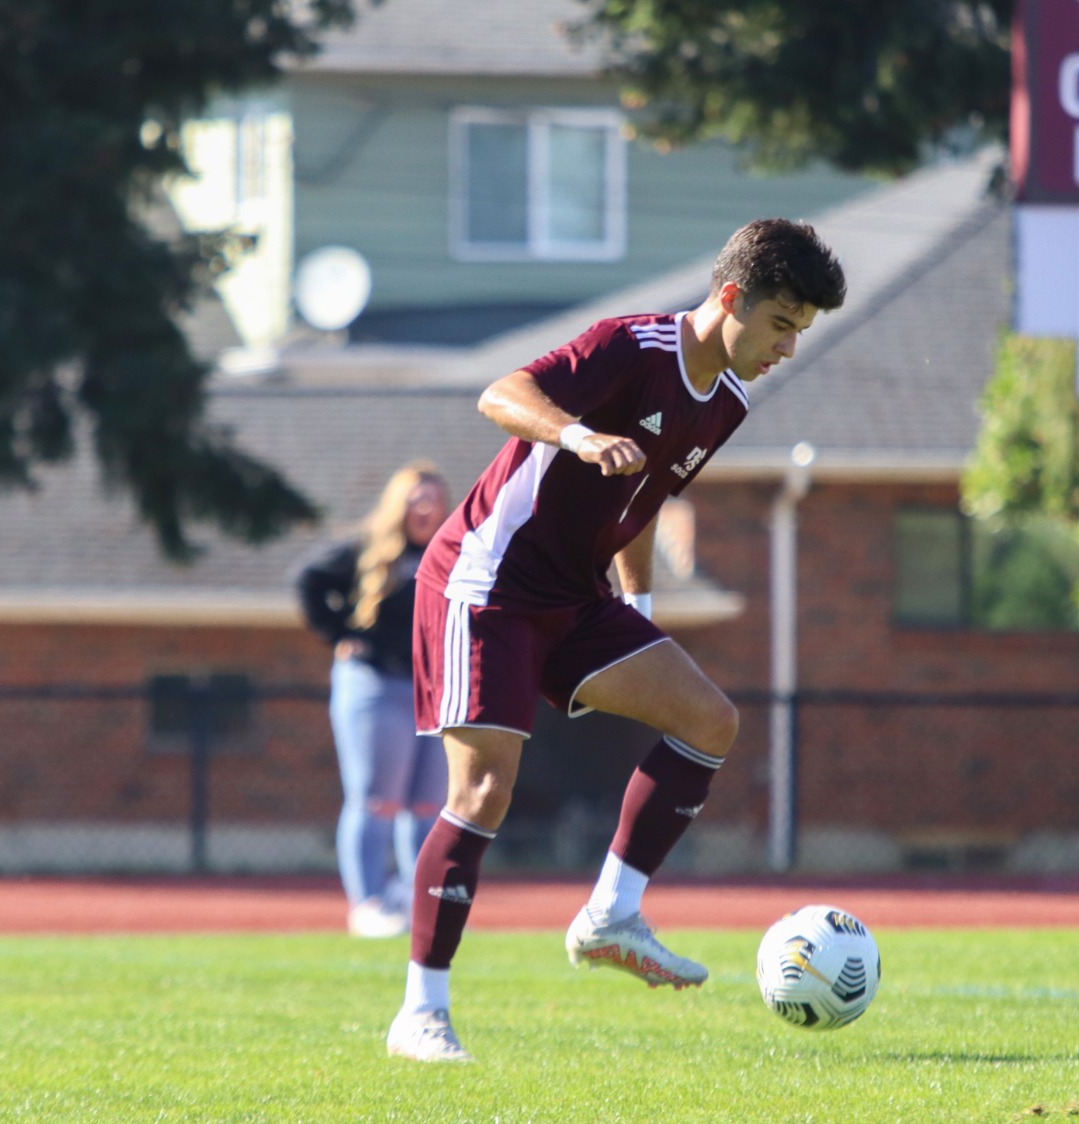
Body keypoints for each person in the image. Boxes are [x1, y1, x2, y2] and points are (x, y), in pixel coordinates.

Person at [384, 219, 846, 1061]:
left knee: (710, 722)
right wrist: (578, 433)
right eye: (782, 324)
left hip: (576, 595)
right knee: (486, 790)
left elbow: (645, 500)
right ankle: (421, 1011)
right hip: (486, 584)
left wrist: (637, 600)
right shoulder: (628, 346)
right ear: (732, 297)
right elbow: (500, 394)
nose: (787, 347)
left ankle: (612, 916)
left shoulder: (729, 402)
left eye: (800, 333)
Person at [299, 462, 453, 938]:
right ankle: (367, 902)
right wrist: (340, 634)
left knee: (429, 804)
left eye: (433, 499)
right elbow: (308, 581)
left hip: (433, 690)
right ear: (397, 505)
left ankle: (413, 899)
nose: (425, 508)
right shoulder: (367, 550)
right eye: (415, 499)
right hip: (374, 684)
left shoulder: (452, 553)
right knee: (377, 800)